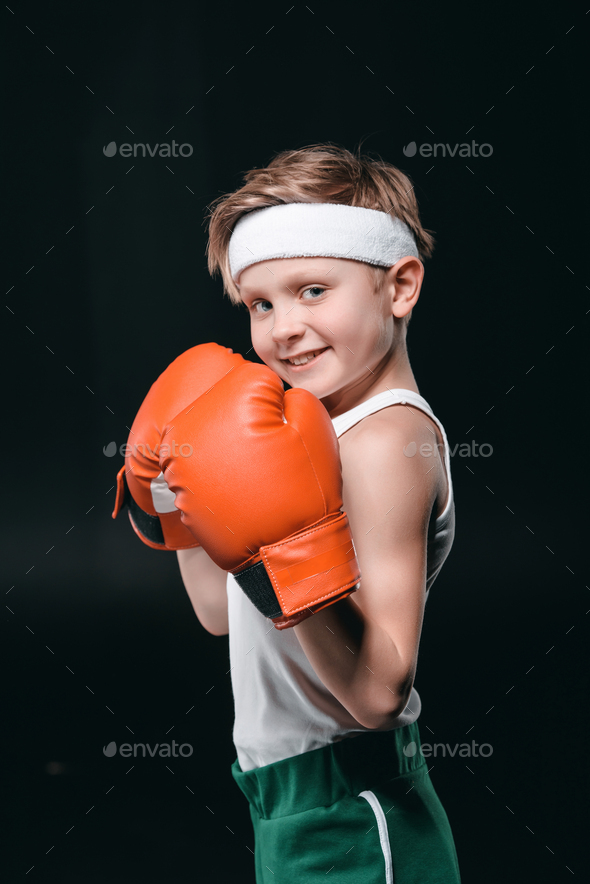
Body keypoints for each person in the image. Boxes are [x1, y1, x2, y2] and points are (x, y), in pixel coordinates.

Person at [113, 143, 461, 883]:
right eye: (260, 304)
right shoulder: (300, 434)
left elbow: (377, 692)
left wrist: (281, 548)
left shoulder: (387, 439)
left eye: (312, 290)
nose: (282, 329)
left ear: (399, 286)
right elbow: (217, 609)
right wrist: (176, 494)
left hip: (356, 801)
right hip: (282, 793)